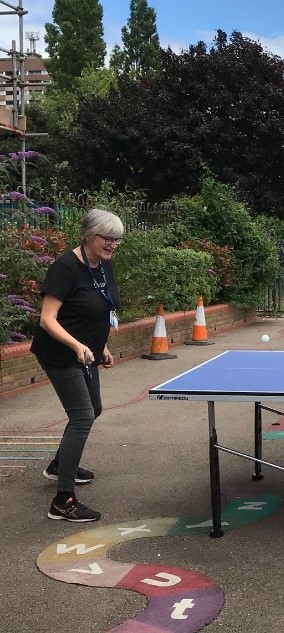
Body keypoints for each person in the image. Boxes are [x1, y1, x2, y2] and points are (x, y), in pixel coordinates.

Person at [31, 208, 124, 522]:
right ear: (89, 236)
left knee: (93, 408)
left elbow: (96, 309)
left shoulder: (101, 264)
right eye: (107, 238)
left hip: (87, 353)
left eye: (117, 239)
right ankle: (63, 500)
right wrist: (77, 345)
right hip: (60, 354)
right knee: (82, 415)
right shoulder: (66, 267)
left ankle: (59, 464)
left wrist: (102, 345)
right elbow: (47, 319)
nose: (113, 244)